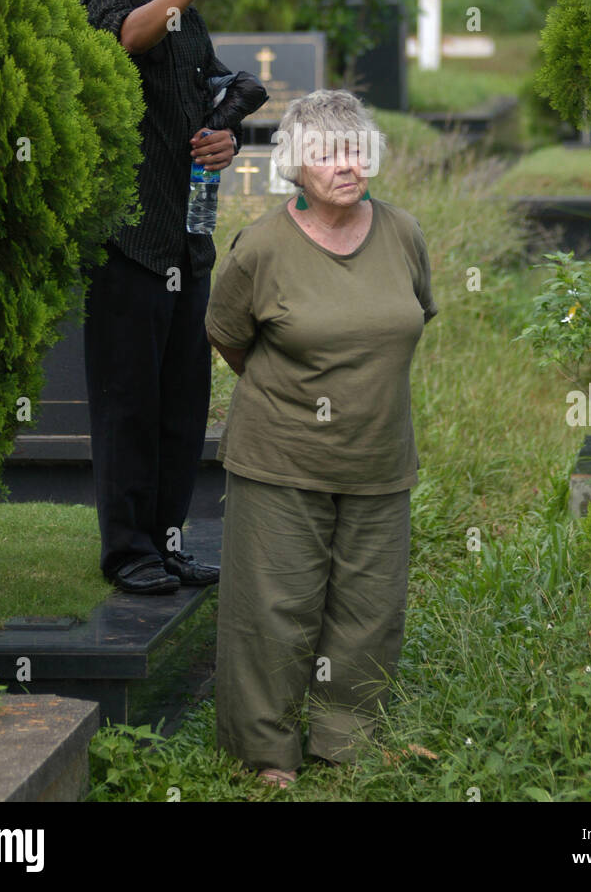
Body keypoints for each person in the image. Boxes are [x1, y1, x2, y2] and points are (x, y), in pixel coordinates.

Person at [205, 89, 438, 786]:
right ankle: (264, 752)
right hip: (280, 458)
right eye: (329, 152)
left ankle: (348, 740)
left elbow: (415, 315)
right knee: (272, 608)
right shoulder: (263, 247)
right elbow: (227, 334)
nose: (348, 163)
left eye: (357, 148)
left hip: (379, 459)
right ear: (296, 167)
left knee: (370, 609)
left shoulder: (403, 233)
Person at [79, 0, 240, 595]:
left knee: (181, 409)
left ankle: (168, 543)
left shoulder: (194, 18)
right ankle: (127, 552)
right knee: (128, 408)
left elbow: (216, 92)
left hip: (187, 241)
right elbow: (125, 41)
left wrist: (224, 135)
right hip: (128, 246)